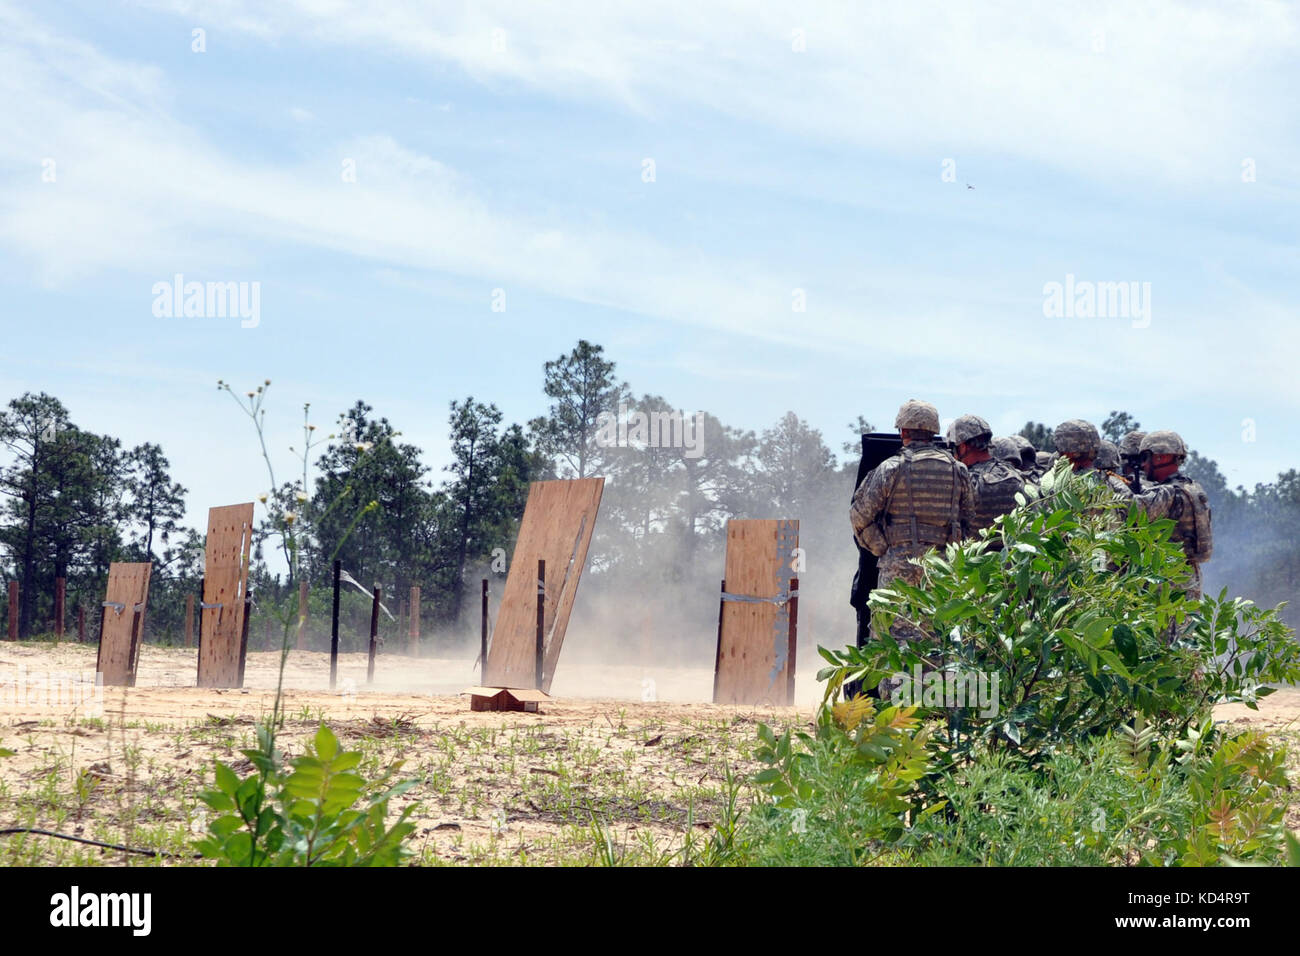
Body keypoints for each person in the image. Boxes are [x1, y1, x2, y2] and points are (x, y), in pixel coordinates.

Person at [851, 400, 975, 675]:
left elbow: (860, 516)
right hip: (941, 568)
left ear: (903, 431)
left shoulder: (891, 469)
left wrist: (881, 547)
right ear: (933, 432)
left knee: (891, 637)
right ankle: (935, 701)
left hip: (898, 563)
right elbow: (970, 523)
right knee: (937, 635)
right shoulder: (958, 471)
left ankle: (895, 706)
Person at [1127, 430, 1213, 602]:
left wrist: (1112, 481)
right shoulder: (1192, 488)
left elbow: (1133, 510)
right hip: (1189, 577)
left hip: (1168, 580)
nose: (1143, 465)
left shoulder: (1169, 493)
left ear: (1161, 458)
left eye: (1146, 458)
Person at [948, 415, 1025, 535]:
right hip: (1013, 552)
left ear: (962, 447)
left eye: (953, 448)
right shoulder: (1015, 475)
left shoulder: (964, 480)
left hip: (975, 552)